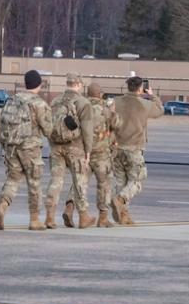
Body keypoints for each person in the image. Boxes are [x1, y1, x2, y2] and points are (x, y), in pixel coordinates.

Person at [0, 71, 55, 229]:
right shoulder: (39, 104)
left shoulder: (13, 100)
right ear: (39, 84)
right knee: (34, 182)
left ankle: (2, 207)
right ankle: (34, 219)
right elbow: (49, 130)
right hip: (30, 147)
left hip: (11, 147)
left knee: (13, 179)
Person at [108, 77, 164, 224]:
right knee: (137, 180)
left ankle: (123, 215)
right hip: (134, 148)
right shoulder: (144, 104)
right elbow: (159, 111)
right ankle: (120, 199)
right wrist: (152, 95)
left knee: (121, 182)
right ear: (140, 88)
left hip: (116, 147)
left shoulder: (116, 101)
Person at [48, 75, 97, 228]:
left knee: (56, 181)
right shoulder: (83, 102)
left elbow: (49, 125)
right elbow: (88, 129)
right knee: (80, 181)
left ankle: (49, 217)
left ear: (67, 84)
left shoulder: (55, 101)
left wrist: (53, 144)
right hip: (75, 148)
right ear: (78, 84)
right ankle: (83, 217)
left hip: (56, 147)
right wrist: (88, 150)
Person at [85, 84, 120, 227]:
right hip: (101, 154)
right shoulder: (105, 110)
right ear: (99, 95)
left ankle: (72, 209)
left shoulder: (82, 108)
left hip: (84, 153)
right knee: (104, 185)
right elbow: (117, 124)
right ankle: (103, 217)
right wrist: (113, 111)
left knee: (80, 184)